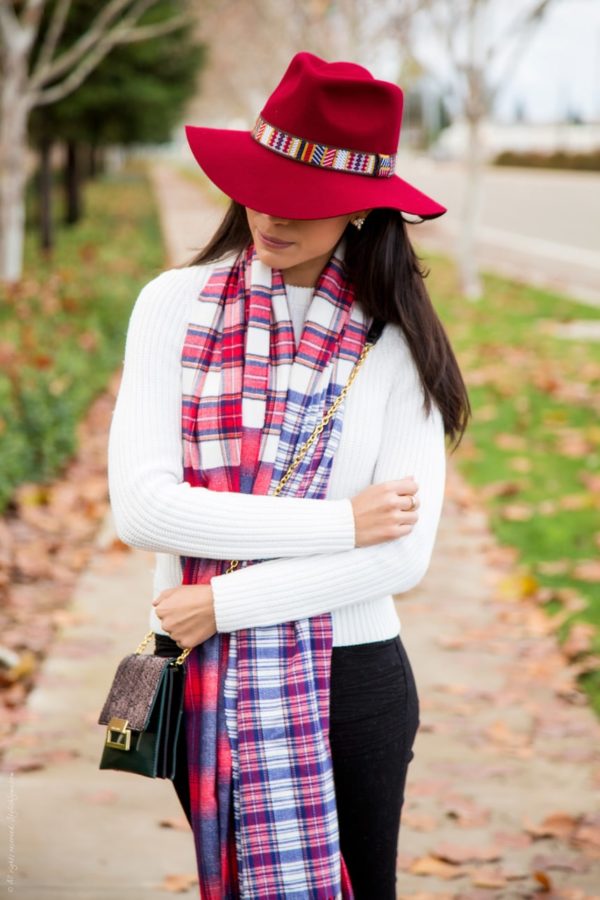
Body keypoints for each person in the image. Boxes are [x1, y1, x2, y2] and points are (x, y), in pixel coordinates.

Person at [108, 51, 471, 900]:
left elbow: (401, 561)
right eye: (261, 184)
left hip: (353, 682)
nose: (270, 214)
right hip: (207, 679)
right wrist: (343, 523)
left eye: (303, 199)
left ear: (361, 209)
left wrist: (223, 604)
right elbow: (145, 509)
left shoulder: (398, 344)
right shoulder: (173, 303)